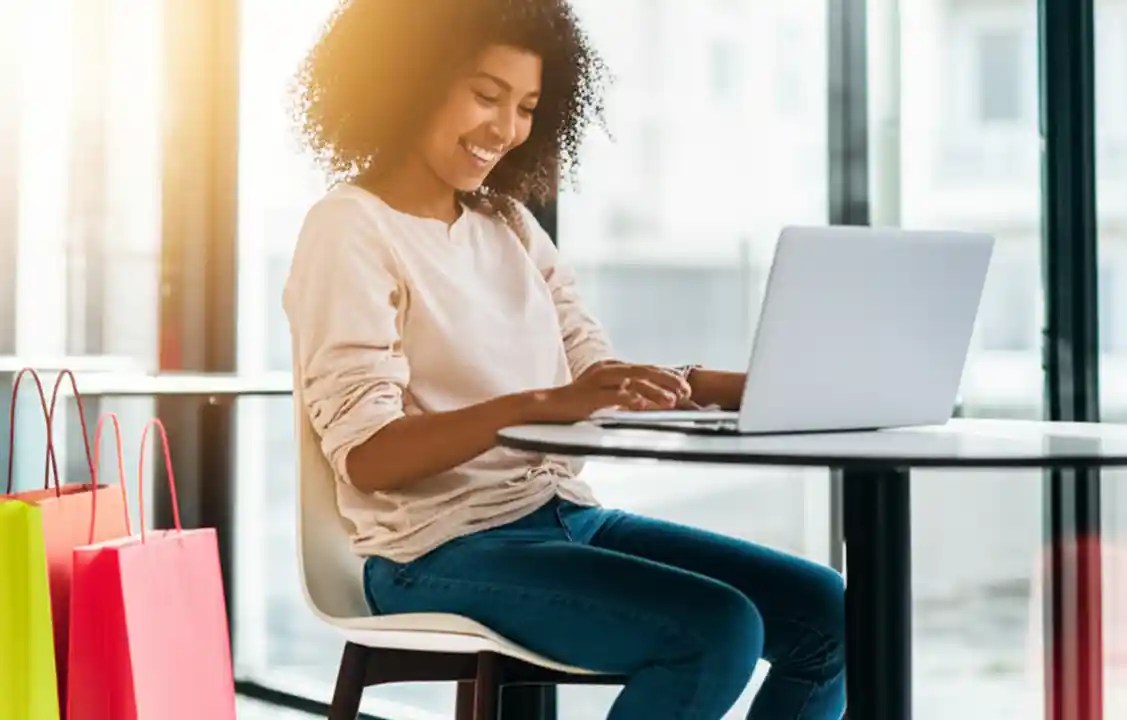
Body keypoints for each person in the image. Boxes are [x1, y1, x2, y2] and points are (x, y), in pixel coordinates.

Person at [283, 1, 845, 717]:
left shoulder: (508, 224)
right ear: (407, 80)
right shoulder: (350, 227)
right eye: (485, 95)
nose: (504, 129)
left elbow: (597, 377)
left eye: (525, 107)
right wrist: (543, 405)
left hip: (565, 517)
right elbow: (368, 456)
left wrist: (780, 385)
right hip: (434, 551)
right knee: (715, 629)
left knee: (829, 615)